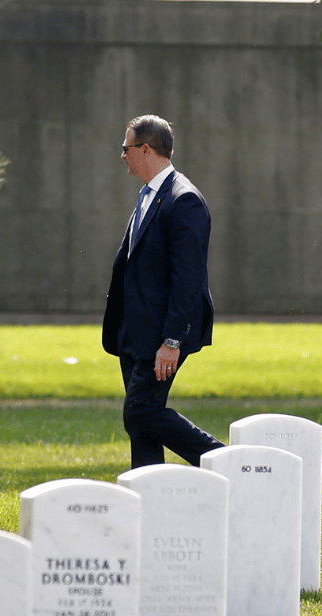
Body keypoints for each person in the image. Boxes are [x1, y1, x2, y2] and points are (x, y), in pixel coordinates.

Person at [101, 114, 225, 469]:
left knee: (140, 410)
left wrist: (172, 341)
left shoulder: (183, 200)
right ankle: (148, 493)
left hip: (162, 335)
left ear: (145, 149)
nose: (122, 155)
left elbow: (188, 280)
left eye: (126, 148)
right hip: (135, 332)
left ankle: (229, 463)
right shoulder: (149, 195)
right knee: (141, 422)